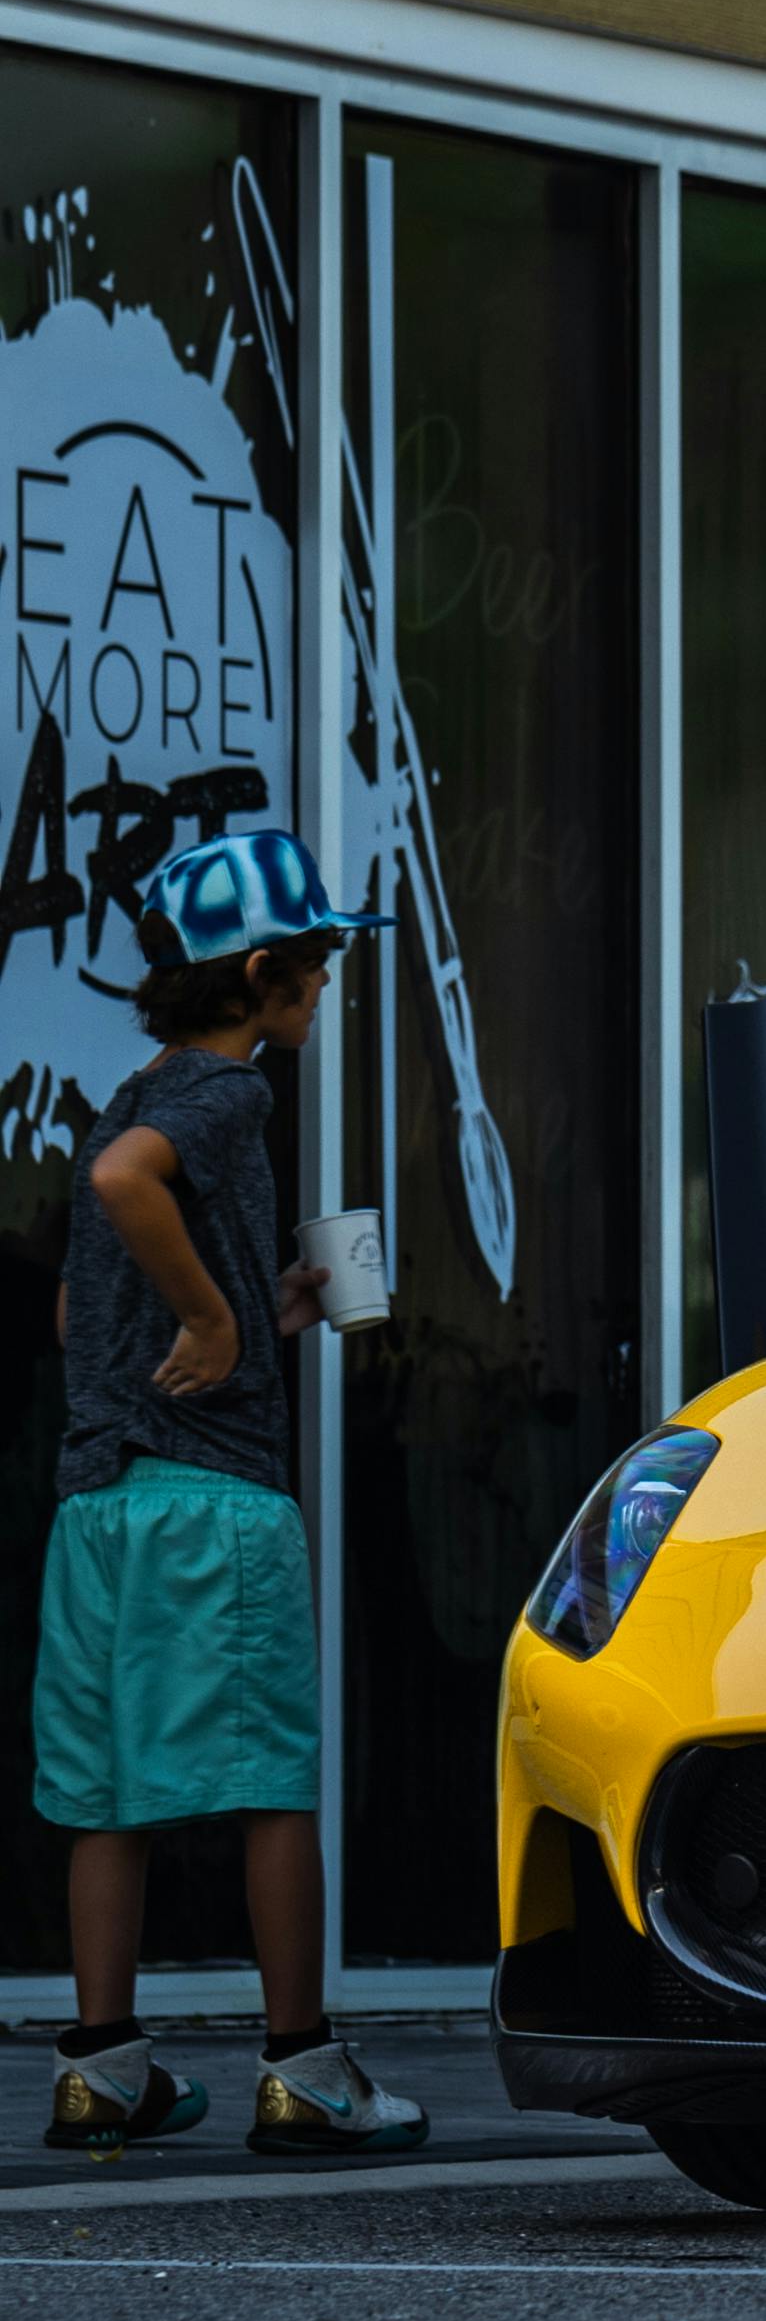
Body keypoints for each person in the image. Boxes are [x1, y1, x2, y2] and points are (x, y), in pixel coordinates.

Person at [35, 823, 427, 2156]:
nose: (324, 989)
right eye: (313, 970)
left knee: (104, 1793)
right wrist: (213, 1329)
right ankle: (306, 2069)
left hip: (98, 1503)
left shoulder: (130, 1089)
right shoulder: (225, 1096)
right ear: (259, 975)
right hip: (218, 1501)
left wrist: (259, 1312)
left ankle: (103, 2068)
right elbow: (121, 1189)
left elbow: (82, 1303)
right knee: (275, 1785)